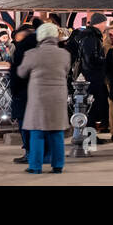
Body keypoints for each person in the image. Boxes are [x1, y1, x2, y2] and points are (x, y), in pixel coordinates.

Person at [16, 22, 71, 174]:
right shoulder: (65, 54)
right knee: (56, 132)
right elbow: (66, 70)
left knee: (37, 132)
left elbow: (21, 72)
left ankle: (35, 166)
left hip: (38, 97)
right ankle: (58, 164)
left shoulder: (32, 54)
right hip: (58, 97)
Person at [8, 23, 37, 163]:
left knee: (25, 125)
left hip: (23, 92)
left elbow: (19, 73)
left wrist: (14, 90)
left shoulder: (23, 50)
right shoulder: (39, 48)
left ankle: (30, 154)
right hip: (38, 93)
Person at [77, 12, 109, 133]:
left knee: (94, 107)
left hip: (92, 76)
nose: (106, 26)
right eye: (105, 23)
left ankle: (91, 136)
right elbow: (91, 58)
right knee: (92, 107)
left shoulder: (91, 36)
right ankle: (90, 137)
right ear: (99, 23)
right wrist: (106, 60)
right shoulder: (91, 37)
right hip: (93, 77)